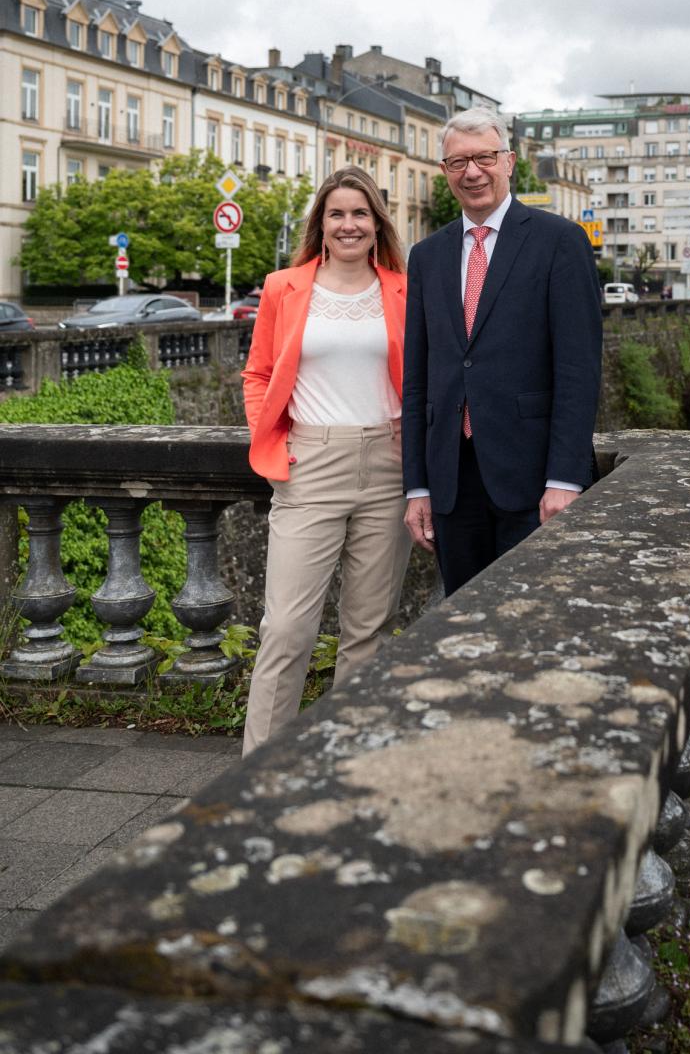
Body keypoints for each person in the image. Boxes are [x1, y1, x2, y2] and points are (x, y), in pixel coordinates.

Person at [240, 166, 411, 756]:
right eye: (337, 213)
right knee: (286, 629)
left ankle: (345, 768)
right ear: (321, 222)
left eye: (360, 214)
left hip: (389, 466)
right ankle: (257, 776)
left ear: (377, 223)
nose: (348, 224)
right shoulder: (284, 286)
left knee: (367, 632)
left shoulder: (403, 289)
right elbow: (258, 372)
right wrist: (275, 438)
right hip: (310, 462)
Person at [402, 108, 602, 596]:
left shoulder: (560, 242)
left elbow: (578, 369)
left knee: (535, 626)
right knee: (464, 625)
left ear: (509, 162)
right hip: (452, 483)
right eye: (457, 162)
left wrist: (565, 479)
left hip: (533, 481)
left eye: (484, 158)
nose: (472, 172)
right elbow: (418, 379)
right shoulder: (427, 256)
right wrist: (419, 487)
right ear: (445, 172)